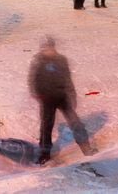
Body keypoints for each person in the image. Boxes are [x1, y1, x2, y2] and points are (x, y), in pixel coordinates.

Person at [28, 36, 97, 164]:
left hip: (62, 97)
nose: (48, 50)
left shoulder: (61, 60)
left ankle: (86, 148)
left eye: (50, 48)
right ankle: (44, 154)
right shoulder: (39, 61)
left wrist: (72, 94)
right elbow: (33, 80)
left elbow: (67, 78)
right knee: (46, 127)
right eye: (46, 48)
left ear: (53, 47)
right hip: (47, 99)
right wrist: (38, 94)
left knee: (75, 123)